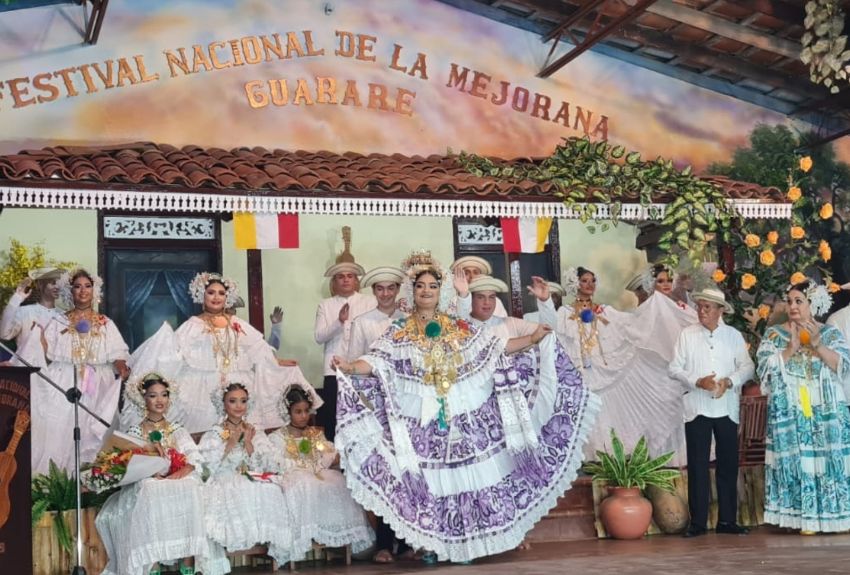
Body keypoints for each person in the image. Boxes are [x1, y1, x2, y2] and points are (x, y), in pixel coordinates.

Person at [332, 251, 598, 563]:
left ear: (440, 291)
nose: (427, 291)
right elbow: (377, 361)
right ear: (412, 292)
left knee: (466, 479)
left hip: (460, 416)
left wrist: (533, 338)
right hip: (423, 420)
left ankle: (468, 545)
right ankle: (435, 546)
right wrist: (350, 366)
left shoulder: (456, 326)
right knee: (434, 484)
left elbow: (495, 348)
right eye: (420, 287)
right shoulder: (398, 331)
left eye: (432, 286)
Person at [530, 266, 688, 464]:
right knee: (586, 415)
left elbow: (634, 323)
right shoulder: (565, 312)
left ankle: (612, 462)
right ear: (575, 283)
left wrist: (657, 307)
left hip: (605, 369)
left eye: (593, 280)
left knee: (610, 413)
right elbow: (550, 325)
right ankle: (587, 463)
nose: (590, 285)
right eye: (585, 280)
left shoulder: (606, 311)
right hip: (580, 373)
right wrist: (544, 300)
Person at [131, 272, 317, 434]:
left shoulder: (237, 323)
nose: (216, 297)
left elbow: (257, 348)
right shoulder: (193, 325)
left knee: (243, 426)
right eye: (211, 293)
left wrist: (276, 362)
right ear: (201, 296)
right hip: (202, 386)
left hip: (238, 383)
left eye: (221, 293)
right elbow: (176, 354)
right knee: (205, 429)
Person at [757, 279, 850, 534]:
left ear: (813, 304)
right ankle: (804, 519)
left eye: (799, 301)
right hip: (795, 406)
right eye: (789, 302)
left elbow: (843, 366)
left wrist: (818, 344)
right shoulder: (775, 335)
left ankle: (836, 517)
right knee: (801, 458)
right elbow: (764, 370)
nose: (793, 306)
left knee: (829, 458)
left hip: (826, 406)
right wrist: (790, 349)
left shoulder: (829, 333)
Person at [96, 373, 207, 575]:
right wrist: (149, 470)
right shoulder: (136, 431)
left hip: (176, 477)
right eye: (153, 396)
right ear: (143, 399)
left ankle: (188, 560)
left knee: (190, 485)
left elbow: (194, 458)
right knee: (149, 488)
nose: (159, 400)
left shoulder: (177, 429)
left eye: (164, 395)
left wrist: (183, 470)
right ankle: (152, 562)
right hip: (149, 481)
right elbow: (130, 464)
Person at [669, 289, 755, 538]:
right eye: (700, 306)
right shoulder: (687, 335)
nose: (702, 311)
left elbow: (748, 367)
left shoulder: (733, 336)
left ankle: (727, 521)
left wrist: (729, 381)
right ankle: (698, 523)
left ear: (720, 311)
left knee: (728, 465)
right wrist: (698, 381)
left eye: (708, 307)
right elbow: (673, 368)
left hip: (726, 408)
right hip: (697, 408)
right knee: (697, 465)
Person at [35, 269, 130, 473]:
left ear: (94, 291)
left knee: (95, 430)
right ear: (70, 292)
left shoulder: (106, 323)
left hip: (98, 383)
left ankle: (93, 484)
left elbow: (118, 352)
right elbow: (45, 353)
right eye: (77, 286)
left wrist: (121, 366)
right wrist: (38, 339)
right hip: (64, 381)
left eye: (87, 286)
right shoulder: (58, 321)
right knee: (61, 430)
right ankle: (60, 485)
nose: (83, 291)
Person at [268, 385, 373, 564]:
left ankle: (337, 537)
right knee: (304, 484)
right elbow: (277, 461)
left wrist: (329, 458)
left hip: (318, 473)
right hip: (295, 475)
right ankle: (303, 537)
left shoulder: (315, 434)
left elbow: (327, 452)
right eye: (297, 412)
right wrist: (306, 466)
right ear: (288, 412)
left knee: (340, 483)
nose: (303, 416)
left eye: (306, 411)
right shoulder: (278, 437)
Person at [198, 382, 291, 573]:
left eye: (243, 401)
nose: (239, 406)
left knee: (269, 488)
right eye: (233, 401)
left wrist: (248, 443)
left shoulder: (254, 431)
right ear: (223, 404)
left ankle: (266, 549)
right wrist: (230, 443)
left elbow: (265, 466)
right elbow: (206, 469)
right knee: (233, 490)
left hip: (249, 475)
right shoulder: (215, 433)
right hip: (223, 478)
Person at [0, 267, 65, 470]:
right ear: (41, 285)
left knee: (51, 427)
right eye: (52, 282)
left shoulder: (64, 317)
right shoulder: (25, 312)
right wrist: (16, 298)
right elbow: (5, 333)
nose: (57, 287)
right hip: (25, 379)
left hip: (53, 379)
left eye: (59, 283)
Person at [313, 261, 376, 441]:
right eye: (341, 277)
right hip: (333, 370)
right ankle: (335, 461)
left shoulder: (369, 302)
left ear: (356, 281)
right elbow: (319, 337)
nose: (345, 280)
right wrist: (339, 322)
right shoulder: (325, 305)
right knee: (335, 417)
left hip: (362, 370)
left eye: (350, 276)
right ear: (334, 282)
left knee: (363, 417)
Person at [348, 266, 408, 360]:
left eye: (390, 288)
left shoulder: (408, 320)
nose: (385, 294)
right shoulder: (361, 322)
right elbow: (353, 360)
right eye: (380, 289)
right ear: (373, 291)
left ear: (398, 290)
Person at [464, 275, 545, 341]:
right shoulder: (461, 326)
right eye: (481, 297)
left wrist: (545, 301)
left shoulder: (510, 323)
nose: (487, 302)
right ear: (471, 299)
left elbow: (547, 330)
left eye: (491, 297)